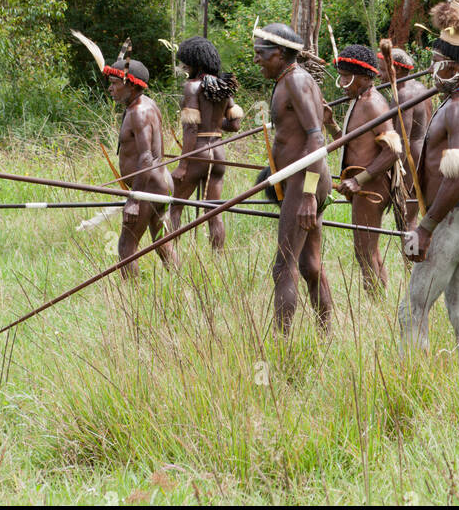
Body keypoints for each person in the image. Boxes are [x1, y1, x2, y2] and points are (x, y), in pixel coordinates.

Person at [398, 0, 459, 363]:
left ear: (456, 67)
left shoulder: (458, 109)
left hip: (456, 217)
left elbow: (456, 176)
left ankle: (410, 390)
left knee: (413, 310)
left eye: (437, 62)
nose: (431, 68)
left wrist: (425, 228)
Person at [252, 21, 333, 332]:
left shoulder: (297, 82)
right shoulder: (289, 79)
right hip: (301, 180)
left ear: (280, 54)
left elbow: (316, 140)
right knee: (309, 265)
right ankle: (326, 335)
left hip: (305, 182)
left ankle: (281, 344)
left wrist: (309, 195)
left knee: (283, 266)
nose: (256, 59)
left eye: (261, 53)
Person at [325, 45, 403, 293]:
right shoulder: (359, 100)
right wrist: (331, 124)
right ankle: (378, 302)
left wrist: (360, 180)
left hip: (372, 185)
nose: (343, 83)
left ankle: (377, 304)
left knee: (365, 250)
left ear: (365, 77)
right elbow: (355, 145)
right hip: (363, 183)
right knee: (366, 249)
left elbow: (393, 149)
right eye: (341, 76)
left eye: (347, 78)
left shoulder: (372, 103)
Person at [103, 55, 178, 277]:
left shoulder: (139, 112)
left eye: (115, 83)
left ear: (131, 84)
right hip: (159, 182)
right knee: (161, 241)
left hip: (149, 187)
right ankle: (179, 283)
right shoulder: (145, 104)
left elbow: (146, 157)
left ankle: (132, 302)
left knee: (126, 247)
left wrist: (134, 199)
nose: (111, 89)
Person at [169, 35, 243, 248]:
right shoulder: (223, 88)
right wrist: (212, 123)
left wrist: (183, 165)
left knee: (175, 207)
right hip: (218, 152)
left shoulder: (192, 87)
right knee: (214, 212)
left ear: (195, 62)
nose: (184, 67)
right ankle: (218, 260)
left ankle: (171, 258)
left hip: (198, 153)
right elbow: (235, 124)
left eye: (186, 63)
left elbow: (191, 128)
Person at [376, 44, 430, 231]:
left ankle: (412, 259)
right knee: (412, 213)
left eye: (382, 70)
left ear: (396, 69)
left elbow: (401, 141)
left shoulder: (404, 95)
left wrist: (385, 167)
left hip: (411, 161)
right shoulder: (421, 87)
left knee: (406, 216)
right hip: (424, 153)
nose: (379, 75)